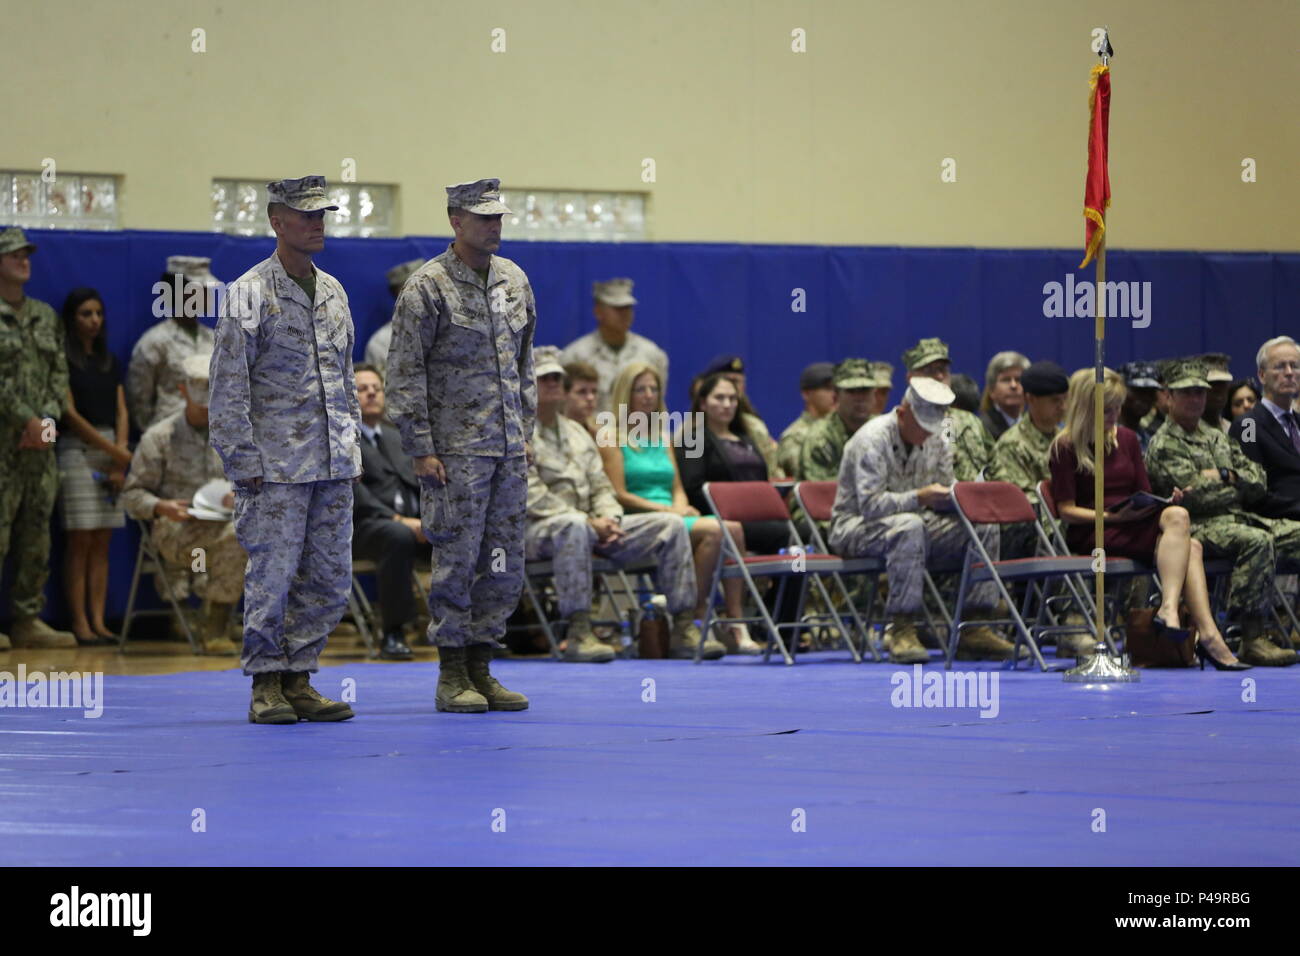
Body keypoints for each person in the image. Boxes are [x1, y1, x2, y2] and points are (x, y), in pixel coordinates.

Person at [210, 175, 360, 723]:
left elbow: (345, 379)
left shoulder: (334, 292)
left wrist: (350, 450)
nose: (317, 223)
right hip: (273, 468)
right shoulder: (250, 293)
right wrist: (241, 460)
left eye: (322, 214)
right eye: (306, 215)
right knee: (272, 574)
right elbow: (228, 387)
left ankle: (300, 676)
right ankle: (265, 682)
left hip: (332, 464)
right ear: (277, 221)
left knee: (329, 577)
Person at [387, 178, 533, 714]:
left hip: (507, 451)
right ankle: (452, 671)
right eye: (483, 217)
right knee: (457, 558)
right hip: (453, 455)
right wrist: (421, 448)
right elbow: (404, 374)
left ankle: (482, 664)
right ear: (455, 219)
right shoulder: (427, 287)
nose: (494, 226)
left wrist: (526, 433)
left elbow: (525, 368)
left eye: (498, 217)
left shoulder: (515, 280)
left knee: (503, 561)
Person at [529, 348, 721, 662]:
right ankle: (579, 631)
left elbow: (603, 487)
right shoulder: (518, 435)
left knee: (671, 526)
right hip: (540, 530)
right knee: (573, 526)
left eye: (557, 378)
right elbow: (530, 495)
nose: (552, 384)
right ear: (527, 384)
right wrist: (589, 522)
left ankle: (683, 626)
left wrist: (610, 518)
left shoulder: (578, 434)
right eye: (544, 378)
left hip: (596, 526)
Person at [828, 377, 1020, 663]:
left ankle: (975, 627)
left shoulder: (939, 436)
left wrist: (958, 498)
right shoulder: (871, 440)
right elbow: (870, 506)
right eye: (921, 428)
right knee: (909, 526)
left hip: (916, 521)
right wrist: (921, 496)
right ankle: (902, 628)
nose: (925, 436)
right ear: (903, 413)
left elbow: (944, 483)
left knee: (983, 525)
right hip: (854, 526)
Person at [1048, 367, 1223, 662]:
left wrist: (1164, 500)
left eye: (1117, 408)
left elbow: (1143, 490)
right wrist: (1110, 517)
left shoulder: (1127, 439)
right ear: (1086, 409)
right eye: (1107, 410)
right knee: (1190, 545)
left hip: (1133, 521)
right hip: (1096, 529)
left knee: (1179, 518)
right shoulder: (1064, 447)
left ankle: (1175, 614)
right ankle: (1206, 634)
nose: (1114, 415)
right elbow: (1066, 511)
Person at [597, 360, 750, 654]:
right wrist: (669, 512)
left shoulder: (662, 437)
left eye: (653, 389)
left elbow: (677, 488)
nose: (648, 395)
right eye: (640, 389)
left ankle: (736, 621)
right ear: (625, 394)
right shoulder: (611, 436)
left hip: (673, 516)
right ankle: (692, 616)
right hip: (639, 520)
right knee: (716, 532)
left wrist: (682, 507)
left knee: (733, 528)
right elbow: (619, 494)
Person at [1145, 358, 1287, 667]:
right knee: (1258, 541)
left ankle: (1285, 621)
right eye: (1187, 393)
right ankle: (1251, 637)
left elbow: (1258, 479)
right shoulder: (1164, 444)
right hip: (1195, 528)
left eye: (1200, 392)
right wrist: (1232, 481)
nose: (1195, 399)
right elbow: (1193, 498)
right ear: (1169, 396)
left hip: (1237, 518)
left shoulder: (1215, 436)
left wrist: (1223, 475)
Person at [122, 352, 244, 655]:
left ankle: (221, 617)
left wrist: (239, 496)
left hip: (221, 524)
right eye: (198, 389)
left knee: (254, 533)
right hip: (175, 530)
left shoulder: (232, 436)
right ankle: (215, 625)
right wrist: (162, 507)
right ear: (182, 390)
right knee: (235, 540)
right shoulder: (160, 437)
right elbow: (132, 495)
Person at [0, 226, 76, 650]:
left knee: (36, 534)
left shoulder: (46, 316)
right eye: (14, 254)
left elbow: (58, 376)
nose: (23, 260)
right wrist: (25, 420)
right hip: (4, 443)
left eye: (26, 254)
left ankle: (28, 619)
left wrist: (45, 422)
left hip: (41, 445)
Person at [58, 288, 130, 645]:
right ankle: (80, 623)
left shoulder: (109, 360)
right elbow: (68, 414)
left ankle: (100, 622)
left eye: (98, 313)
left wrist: (119, 456)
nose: (94, 320)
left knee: (102, 540)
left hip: (111, 451)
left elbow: (122, 411)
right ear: (72, 319)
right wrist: (114, 452)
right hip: (77, 451)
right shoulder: (64, 360)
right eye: (86, 314)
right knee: (80, 539)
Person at [351, 362, 427, 661]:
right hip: (364, 528)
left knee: (463, 531)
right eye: (362, 389)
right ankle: (394, 632)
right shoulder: (343, 440)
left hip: (416, 524)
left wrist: (430, 519)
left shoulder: (398, 436)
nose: (371, 394)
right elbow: (356, 495)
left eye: (376, 389)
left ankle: (473, 629)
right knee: (397, 536)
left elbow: (421, 484)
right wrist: (400, 521)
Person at [988, 360, 1070, 569]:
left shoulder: (1066, 440)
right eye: (1054, 401)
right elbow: (1022, 506)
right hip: (1026, 533)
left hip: (1060, 524)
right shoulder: (1012, 445)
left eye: (1064, 399)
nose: (1062, 407)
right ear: (1031, 399)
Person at [126, 256, 219, 432]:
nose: (206, 295)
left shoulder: (214, 339)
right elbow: (139, 401)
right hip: (169, 438)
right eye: (199, 290)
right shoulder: (154, 342)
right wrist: (156, 437)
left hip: (210, 439)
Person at [559, 278, 667, 413]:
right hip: (590, 431)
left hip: (637, 430)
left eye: (628, 308)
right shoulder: (575, 356)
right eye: (618, 309)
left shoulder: (652, 355)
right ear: (598, 312)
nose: (625, 314)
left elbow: (656, 406)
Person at [901, 337, 992, 482]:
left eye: (943, 370)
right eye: (928, 370)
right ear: (911, 378)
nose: (938, 376)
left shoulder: (970, 421)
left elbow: (994, 465)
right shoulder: (905, 424)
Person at [1229, 336, 1300, 520]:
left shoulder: (1297, 421)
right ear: (1262, 375)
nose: (1289, 372)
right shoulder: (1248, 424)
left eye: (1295, 366)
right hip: (1276, 520)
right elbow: (1252, 492)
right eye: (1280, 366)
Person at [697, 354, 781, 476]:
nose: (727, 404)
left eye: (736, 381)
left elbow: (770, 471)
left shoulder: (754, 425)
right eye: (719, 397)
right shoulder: (691, 430)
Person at [797, 358, 878, 482]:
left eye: (865, 390)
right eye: (851, 391)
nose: (860, 398)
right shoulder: (820, 438)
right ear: (836, 397)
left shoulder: (886, 431)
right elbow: (822, 492)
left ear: (874, 395)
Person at [363, 258, 425, 373]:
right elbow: (379, 387)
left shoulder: (450, 328)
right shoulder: (381, 342)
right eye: (410, 290)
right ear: (398, 295)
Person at [777, 362, 835, 478]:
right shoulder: (794, 437)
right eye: (828, 388)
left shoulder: (842, 430)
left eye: (837, 389)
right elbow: (808, 476)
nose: (835, 394)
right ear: (806, 394)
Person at [979, 351, 1030, 441]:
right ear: (991, 390)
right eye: (1006, 380)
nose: (1013, 385)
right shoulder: (982, 429)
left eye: (1018, 379)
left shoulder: (1034, 426)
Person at [1119, 361, 1163, 452]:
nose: (1146, 398)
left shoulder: (1149, 438)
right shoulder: (1107, 436)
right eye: (1138, 390)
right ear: (1120, 390)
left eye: (1151, 391)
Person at [562, 359, 601, 440]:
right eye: (582, 392)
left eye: (594, 391)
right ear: (564, 394)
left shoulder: (600, 431)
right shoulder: (556, 431)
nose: (590, 397)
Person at [1200, 352, 1235, 432]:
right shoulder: (1187, 430)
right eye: (1212, 384)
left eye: (1223, 383)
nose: (1218, 390)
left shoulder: (1232, 429)